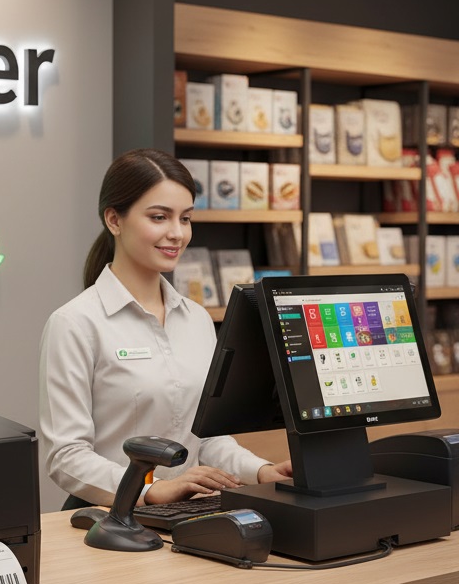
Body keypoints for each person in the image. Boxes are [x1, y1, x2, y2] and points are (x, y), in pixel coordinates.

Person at [39, 147, 292, 510]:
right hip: (108, 521)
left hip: (187, 512)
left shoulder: (197, 319)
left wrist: (262, 471)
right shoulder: (75, 324)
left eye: (185, 218)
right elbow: (65, 456)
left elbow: (206, 441)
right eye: (159, 217)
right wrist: (151, 490)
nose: (176, 233)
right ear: (114, 220)